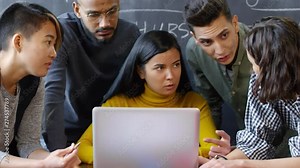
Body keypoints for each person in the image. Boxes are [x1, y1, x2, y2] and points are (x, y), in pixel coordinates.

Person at [76, 30, 232, 164]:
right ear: (141, 71)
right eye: (160, 68)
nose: (171, 75)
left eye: (176, 65)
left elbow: (212, 149)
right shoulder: (117, 104)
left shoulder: (194, 102)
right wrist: (119, 158)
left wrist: (153, 157)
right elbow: (81, 146)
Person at [199, 16, 300, 168]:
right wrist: (222, 162)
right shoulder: (264, 80)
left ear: (273, 68)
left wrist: (243, 164)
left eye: (255, 64)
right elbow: (258, 138)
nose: (254, 71)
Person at [42, 0, 141, 151]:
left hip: (115, 137)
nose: (104, 23)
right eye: (94, 15)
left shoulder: (130, 34)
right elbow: (52, 95)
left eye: (112, 12)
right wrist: (59, 152)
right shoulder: (62, 31)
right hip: (67, 136)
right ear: (77, 9)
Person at [0, 2, 81, 167]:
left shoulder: (34, 84)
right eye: (48, 42)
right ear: (18, 42)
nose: (54, 53)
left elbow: (28, 144)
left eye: (55, 44)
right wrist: (42, 165)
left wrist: (55, 159)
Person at [183, 0, 252, 130]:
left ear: (235, 23)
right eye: (207, 42)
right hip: (246, 141)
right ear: (195, 38)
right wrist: (209, 146)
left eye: (224, 35)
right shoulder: (194, 51)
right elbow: (210, 105)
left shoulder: (264, 47)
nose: (220, 50)